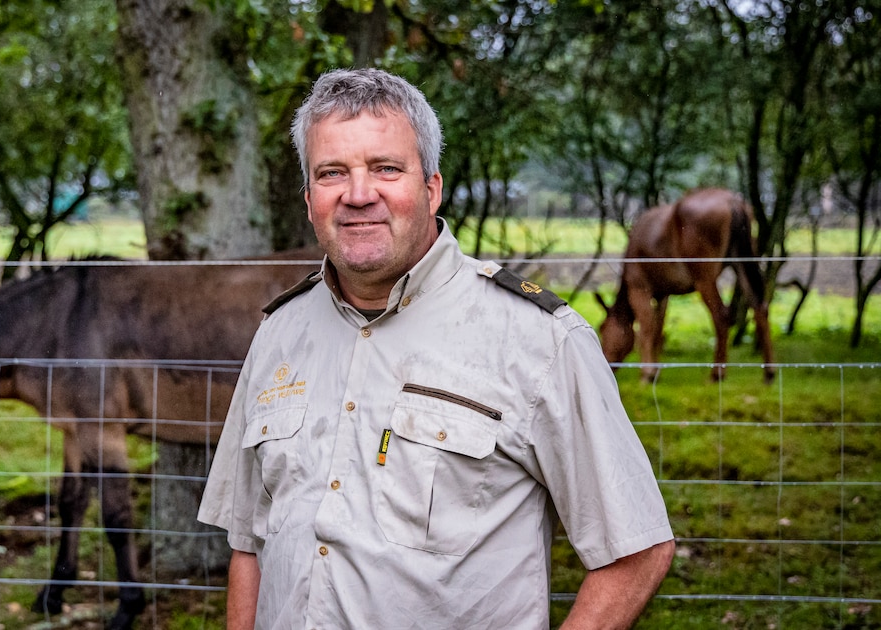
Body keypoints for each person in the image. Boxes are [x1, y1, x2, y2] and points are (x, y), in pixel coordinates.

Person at [198, 68, 675, 630]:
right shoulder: (280, 332)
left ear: (430, 188)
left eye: (385, 169)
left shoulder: (539, 339)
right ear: (308, 199)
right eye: (332, 173)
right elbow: (250, 544)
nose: (358, 195)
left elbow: (637, 550)